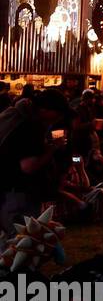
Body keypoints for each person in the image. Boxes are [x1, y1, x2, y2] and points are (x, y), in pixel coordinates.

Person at [0, 87, 71, 235]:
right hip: (17, 192)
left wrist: (46, 145)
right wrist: (53, 148)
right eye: (57, 114)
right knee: (21, 240)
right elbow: (28, 166)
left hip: (7, 189)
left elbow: (18, 150)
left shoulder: (17, 117)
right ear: (45, 109)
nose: (58, 118)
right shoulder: (30, 126)